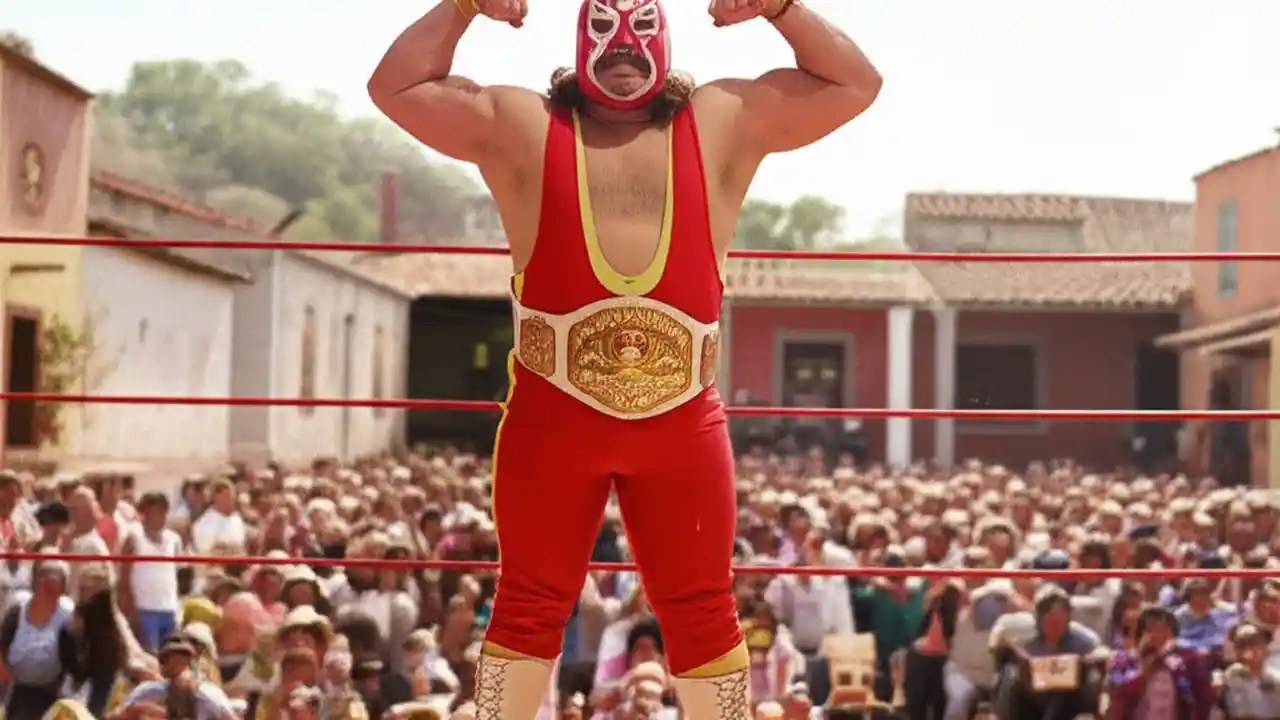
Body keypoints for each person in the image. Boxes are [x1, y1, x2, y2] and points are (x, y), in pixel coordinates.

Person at [368, 0, 881, 717]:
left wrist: (781, 8)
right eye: (604, 27)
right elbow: (394, 88)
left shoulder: (720, 120)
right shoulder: (523, 125)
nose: (624, 45)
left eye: (641, 26)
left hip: (681, 421)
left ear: (666, 41)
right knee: (525, 605)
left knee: (703, 607)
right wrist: (462, 6)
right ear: (577, 40)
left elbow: (854, 83)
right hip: (553, 413)